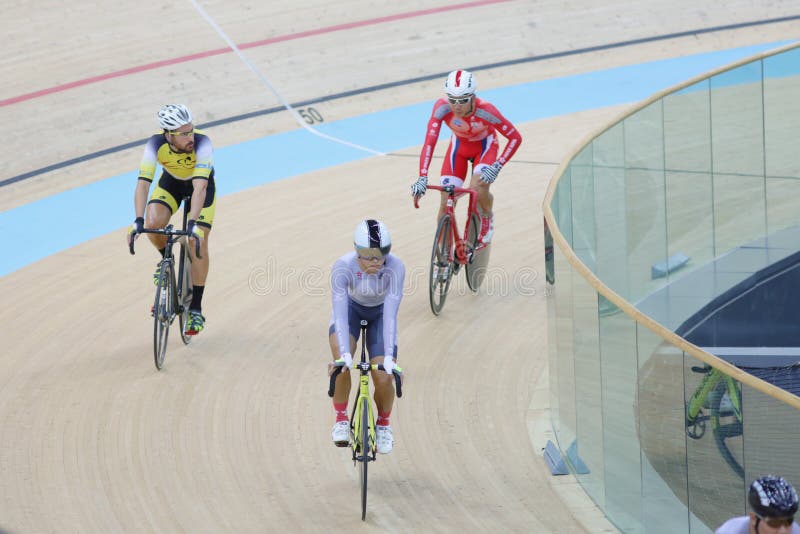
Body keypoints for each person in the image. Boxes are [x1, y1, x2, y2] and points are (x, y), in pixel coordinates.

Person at [127, 104, 216, 335]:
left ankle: (195, 309)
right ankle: (165, 260)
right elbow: (143, 183)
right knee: (152, 224)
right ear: (168, 136)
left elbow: (200, 188)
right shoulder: (155, 145)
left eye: (191, 130)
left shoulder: (203, 143)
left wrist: (193, 224)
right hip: (172, 183)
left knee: (198, 242)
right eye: (184, 134)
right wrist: (137, 221)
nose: (191, 137)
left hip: (201, 185)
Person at [411, 69, 523, 245]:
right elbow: (429, 142)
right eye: (453, 100)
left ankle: (487, 215)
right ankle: (444, 256)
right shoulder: (441, 108)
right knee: (445, 199)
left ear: (472, 97)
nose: (457, 106)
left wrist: (497, 166)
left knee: (478, 188)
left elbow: (515, 138)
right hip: (459, 149)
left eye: (463, 100)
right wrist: (422, 176)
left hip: (484, 147)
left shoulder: (487, 111)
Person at [327, 219, 405, 454]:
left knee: (383, 376)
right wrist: (343, 354)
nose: (375, 261)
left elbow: (391, 314)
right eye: (368, 255)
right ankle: (341, 419)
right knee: (342, 366)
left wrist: (389, 358)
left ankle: (383, 424)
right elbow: (339, 312)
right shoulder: (343, 266)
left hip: (381, 316)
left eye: (381, 254)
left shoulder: (396, 267)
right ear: (356, 252)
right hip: (350, 313)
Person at [716, 475, 800, 533]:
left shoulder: (795, 531)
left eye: (789, 521)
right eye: (774, 523)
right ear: (753, 518)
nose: (783, 531)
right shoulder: (729, 531)